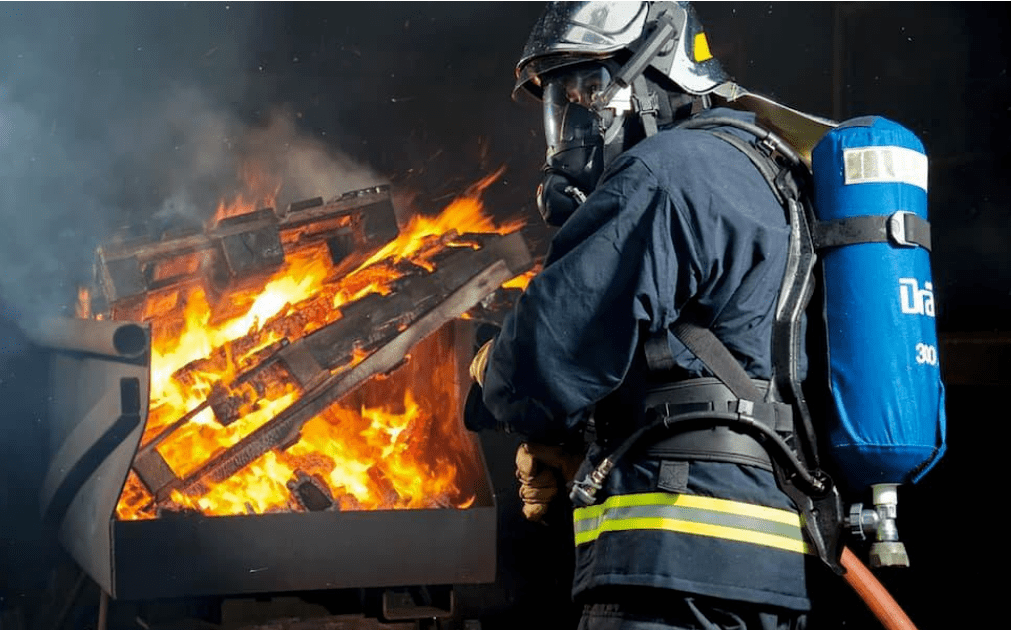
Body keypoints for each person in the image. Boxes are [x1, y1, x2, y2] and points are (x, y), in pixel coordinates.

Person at [467, 2, 815, 629]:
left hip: (672, 566)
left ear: (658, 74)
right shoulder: (767, 175)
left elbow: (541, 364)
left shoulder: (664, 175)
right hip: (765, 568)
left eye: (588, 90)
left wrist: (495, 368)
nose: (572, 124)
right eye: (560, 102)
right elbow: (704, 369)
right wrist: (567, 442)